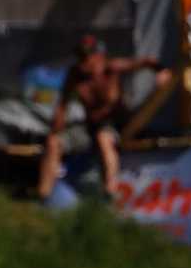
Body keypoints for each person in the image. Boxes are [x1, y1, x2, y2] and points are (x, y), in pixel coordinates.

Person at [40, 35, 160, 203]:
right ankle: (43, 196)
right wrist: (57, 125)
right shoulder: (75, 75)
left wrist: (161, 71)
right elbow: (63, 104)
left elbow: (147, 61)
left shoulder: (111, 68)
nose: (82, 61)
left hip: (113, 126)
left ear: (98, 56)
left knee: (104, 138)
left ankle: (110, 192)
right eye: (80, 56)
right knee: (53, 141)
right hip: (90, 126)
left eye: (86, 56)